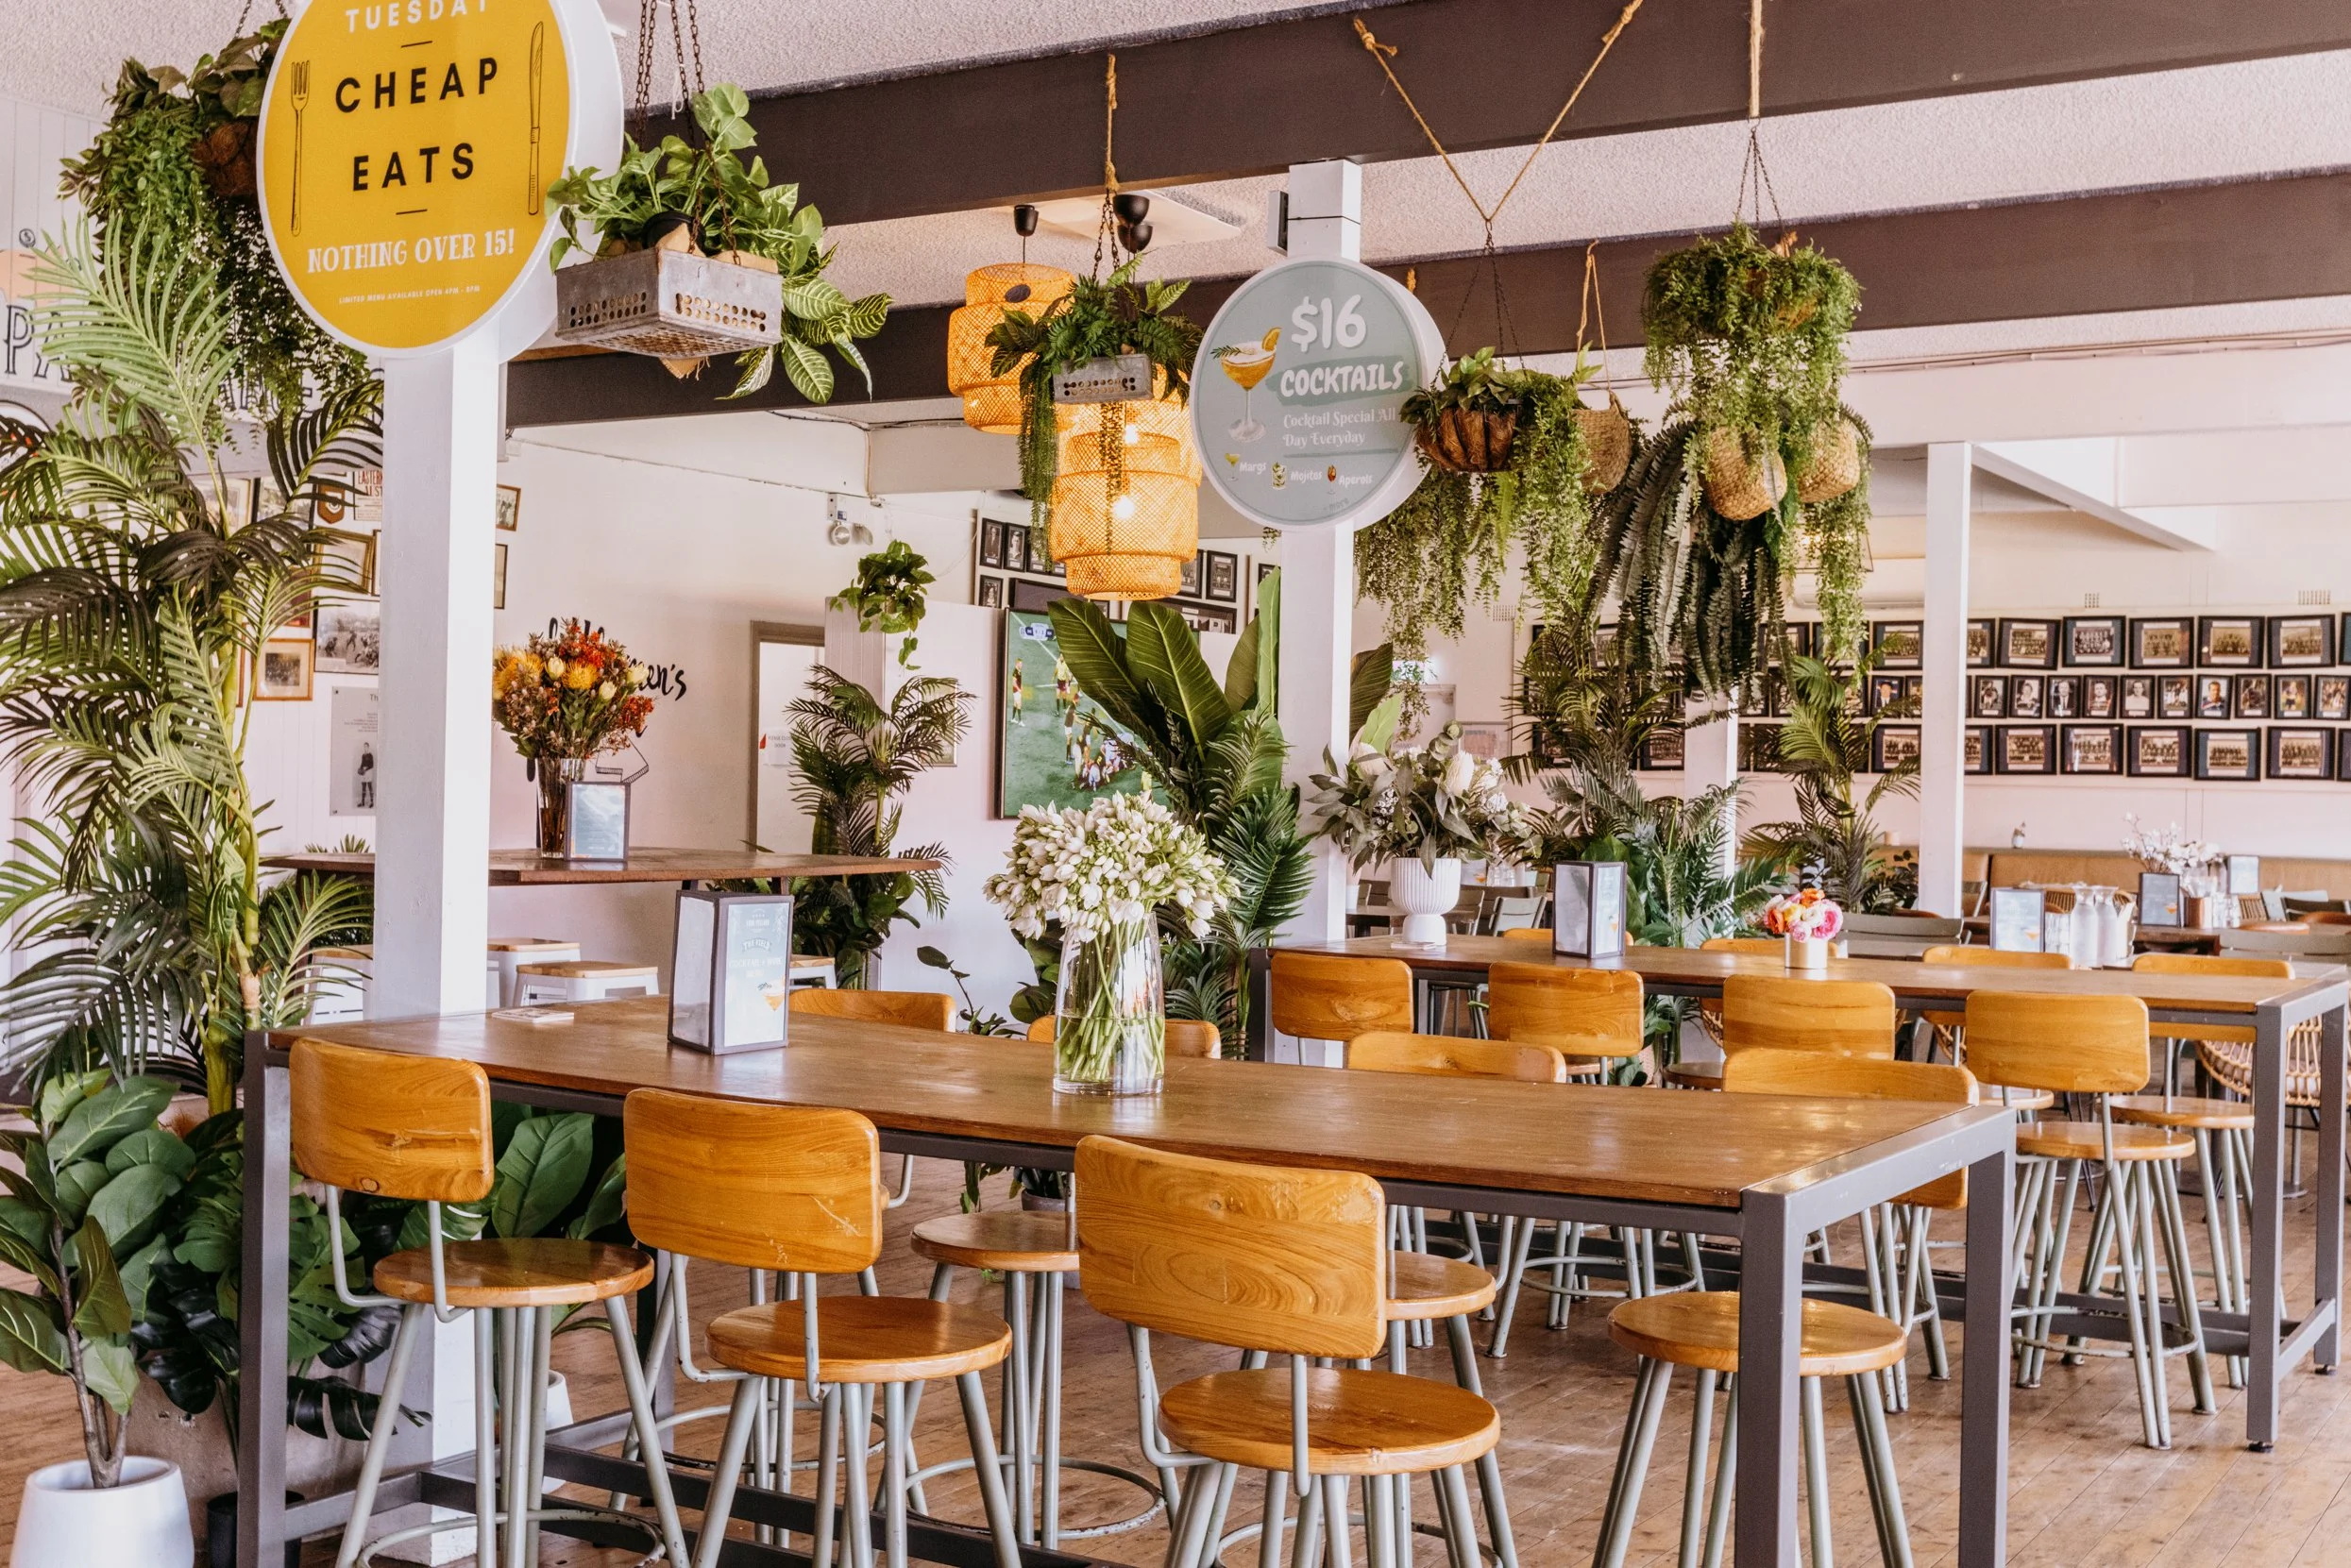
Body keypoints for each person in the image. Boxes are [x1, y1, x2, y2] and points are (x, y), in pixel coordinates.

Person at [355, 744, 376, 809]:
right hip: (363, 772)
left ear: (368, 747)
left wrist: (365, 769)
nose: (365, 748)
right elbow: (362, 763)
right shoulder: (363, 755)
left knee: (370, 787)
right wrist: (360, 769)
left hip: (368, 772)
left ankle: (372, 802)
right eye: (364, 747)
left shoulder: (370, 755)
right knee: (363, 787)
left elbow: (372, 765)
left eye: (366, 747)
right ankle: (363, 802)